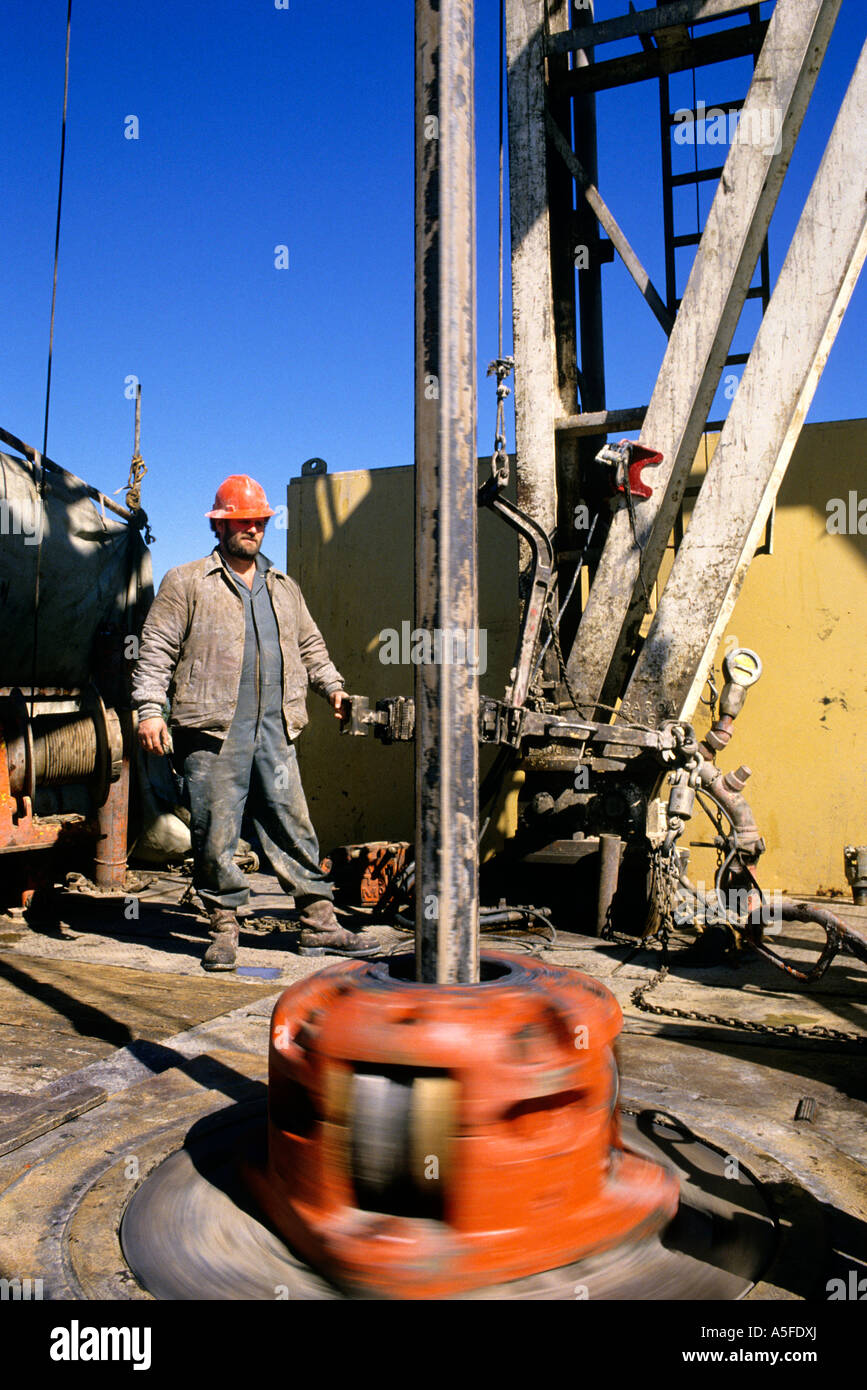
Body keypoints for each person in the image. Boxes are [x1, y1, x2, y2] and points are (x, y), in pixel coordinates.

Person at [131, 473, 377, 971]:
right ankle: (224, 928)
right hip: (212, 730)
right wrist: (149, 709)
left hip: (275, 728)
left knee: (293, 823)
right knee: (215, 831)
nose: (252, 529)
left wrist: (332, 686)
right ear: (220, 527)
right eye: (240, 521)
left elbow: (310, 646)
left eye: (258, 521)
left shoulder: (283, 588)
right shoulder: (186, 582)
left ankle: (320, 924)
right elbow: (154, 651)